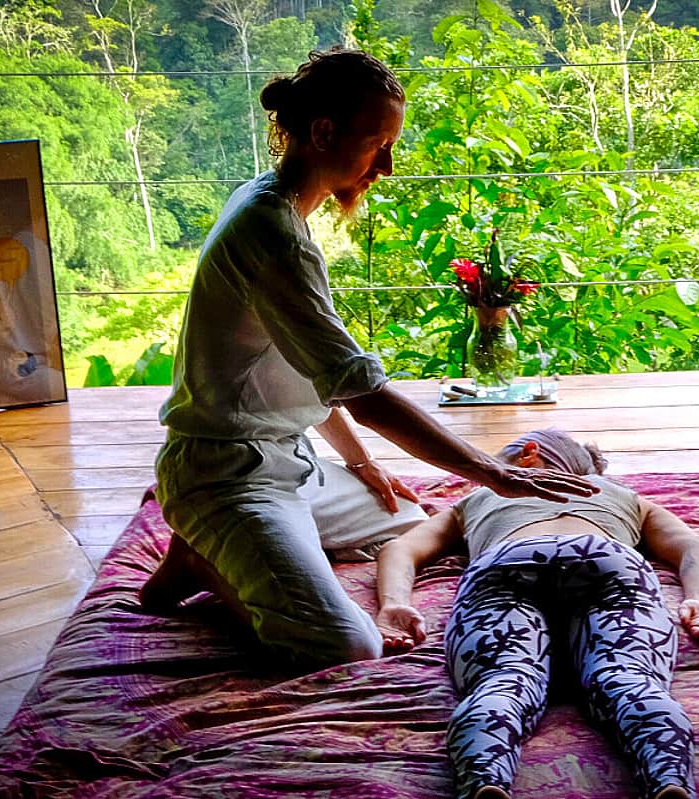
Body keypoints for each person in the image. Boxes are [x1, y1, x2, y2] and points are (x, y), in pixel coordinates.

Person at [138, 49, 595, 670]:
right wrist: (491, 471)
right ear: (323, 132)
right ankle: (202, 556)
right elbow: (360, 388)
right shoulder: (269, 231)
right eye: (378, 143)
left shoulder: (278, 204)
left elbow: (312, 366)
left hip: (288, 463)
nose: (386, 164)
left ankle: (236, 552)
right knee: (346, 645)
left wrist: (360, 462)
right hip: (225, 477)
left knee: (414, 522)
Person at [375, 428, 699, 799]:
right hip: (604, 558)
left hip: (508, 561)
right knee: (629, 677)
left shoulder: (480, 495)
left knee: (503, 679)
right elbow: (691, 546)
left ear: (528, 454)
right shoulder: (624, 497)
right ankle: (669, 780)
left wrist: (394, 602)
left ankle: (485, 780)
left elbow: (401, 548)